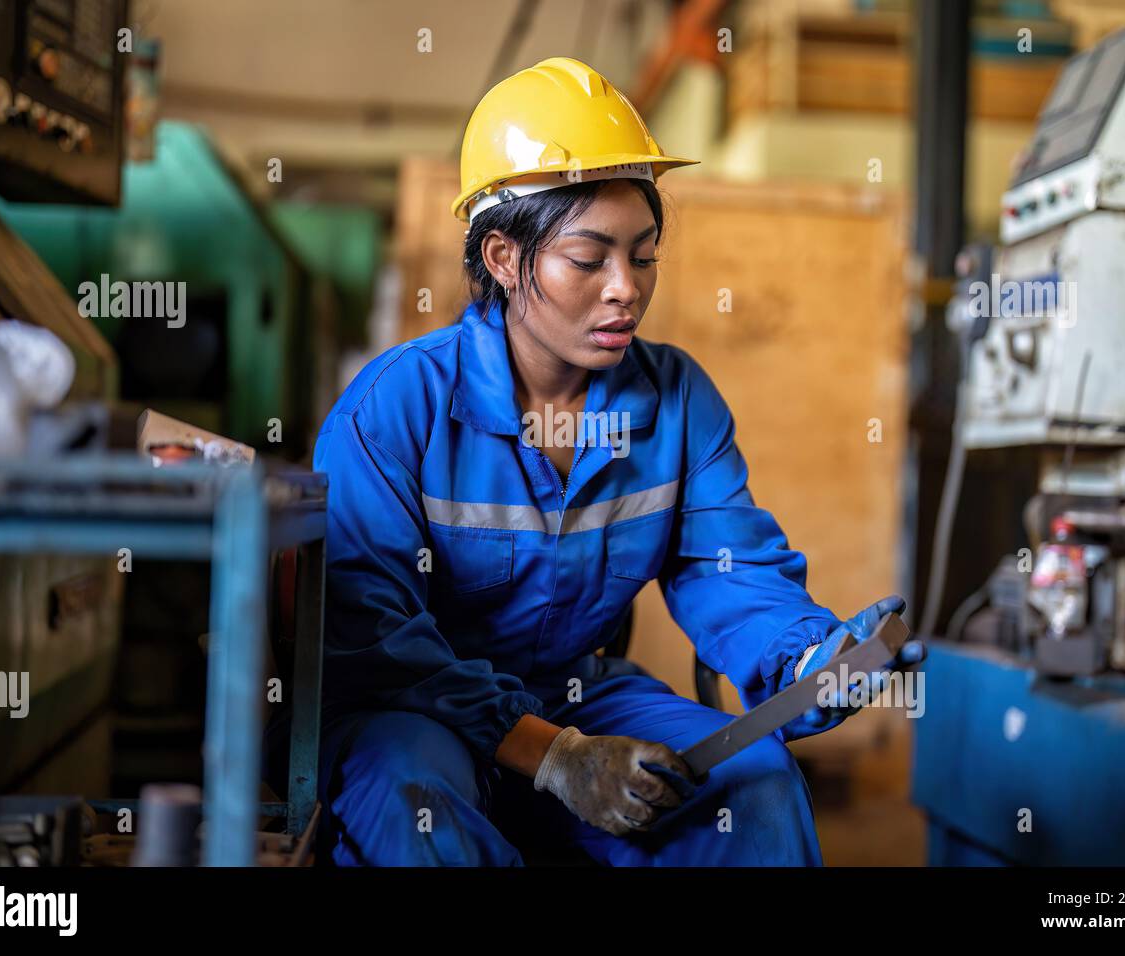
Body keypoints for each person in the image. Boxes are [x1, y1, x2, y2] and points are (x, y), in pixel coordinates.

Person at [304, 57, 924, 866]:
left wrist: (812, 660)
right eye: (589, 259)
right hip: (422, 711)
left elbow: (726, 569)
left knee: (756, 785)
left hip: (578, 688)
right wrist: (552, 755)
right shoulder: (396, 407)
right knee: (411, 798)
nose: (625, 288)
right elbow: (375, 640)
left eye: (644, 255)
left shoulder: (676, 401)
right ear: (500, 258)